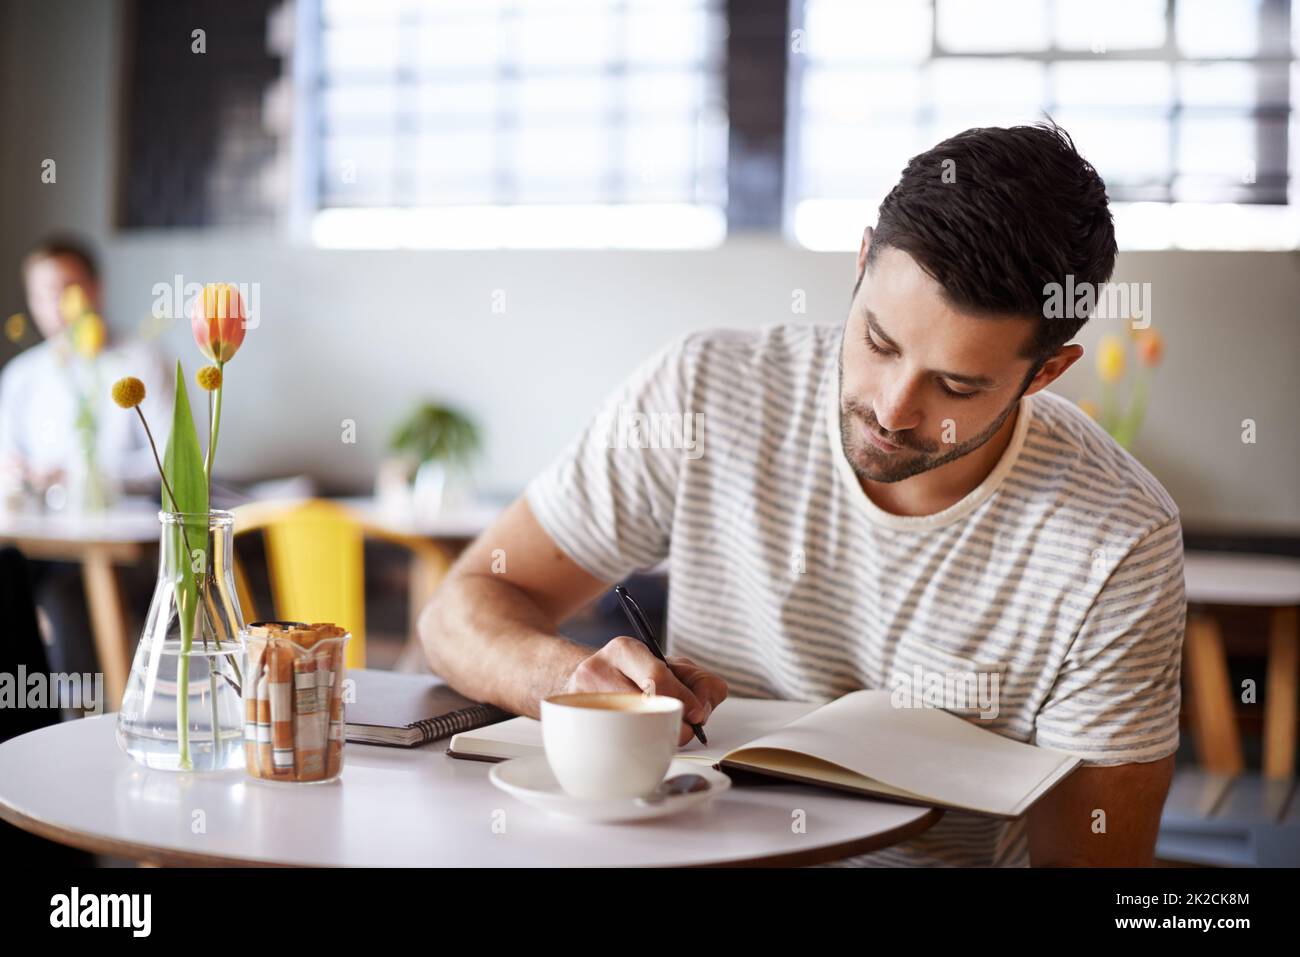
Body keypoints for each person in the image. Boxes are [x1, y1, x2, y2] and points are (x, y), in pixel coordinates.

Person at [418, 123, 1185, 867]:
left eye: (955, 384)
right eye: (878, 340)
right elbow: (459, 610)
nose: (891, 408)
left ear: (1045, 374)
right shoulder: (705, 391)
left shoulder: (1117, 537)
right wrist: (566, 679)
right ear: (860, 263)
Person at [0, 235, 171, 683]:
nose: (54, 304)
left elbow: (168, 465)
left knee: (68, 589)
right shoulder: (22, 376)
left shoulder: (141, 361)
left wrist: (81, 475)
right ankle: (28, 721)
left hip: (125, 549)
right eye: (40, 293)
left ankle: (88, 714)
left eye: (65, 288)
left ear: (95, 289)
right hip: (40, 540)